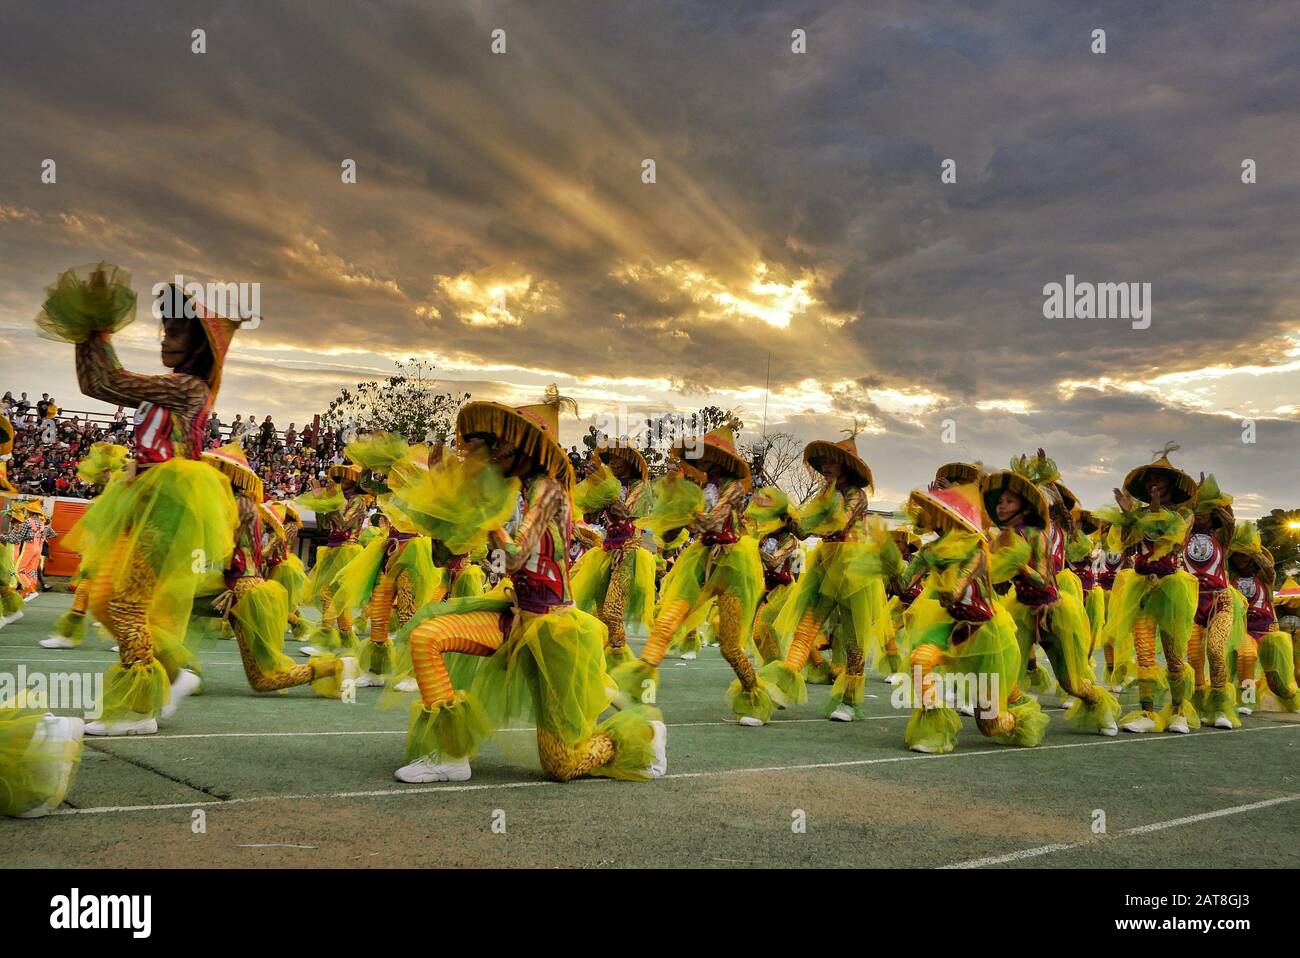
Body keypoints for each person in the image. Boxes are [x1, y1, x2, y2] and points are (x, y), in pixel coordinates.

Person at [389, 387, 666, 784]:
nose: (493, 450)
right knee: (426, 637)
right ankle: (450, 755)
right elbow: (442, 559)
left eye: (503, 442)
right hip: (513, 613)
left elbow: (515, 556)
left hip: (554, 630)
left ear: (527, 448)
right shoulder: (509, 490)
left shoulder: (549, 491)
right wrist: (445, 505)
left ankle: (644, 734)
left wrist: (484, 516)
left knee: (562, 765)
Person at [36, 263, 239, 736]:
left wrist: (97, 328)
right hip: (142, 494)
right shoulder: (166, 388)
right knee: (105, 598)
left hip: (169, 500)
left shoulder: (188, 387)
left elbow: (114, 380)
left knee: (125, 604)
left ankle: (138, 709)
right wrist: (90, 331)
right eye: (164, 332)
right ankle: (174, 673)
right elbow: (96, 385)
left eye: (175, 335)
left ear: (199, 347)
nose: (165, 342)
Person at [622, 420, 776, 725]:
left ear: (720, 458)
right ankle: (635, 687)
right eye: (698, 451)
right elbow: (670, 536)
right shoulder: (699, 487)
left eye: (706, 452)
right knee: (666, 621)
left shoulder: (733, 488)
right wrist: (670, 521)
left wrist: (683, 514)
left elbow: (713, 521)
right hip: (701, 560)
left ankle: (756, 696)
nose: (700, 456)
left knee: (730, 647)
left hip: (734, 566)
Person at [761, 429, 897, 722]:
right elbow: (802, 531)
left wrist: (811, 516)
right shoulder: (823, 494)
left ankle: (849, 702)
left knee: (853, 640)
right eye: (824, 461)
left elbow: (840, 521)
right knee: (805, 628)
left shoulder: (856, 495)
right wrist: (785, 513)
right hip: (825, 564)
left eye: (832, 461)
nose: (826, 466)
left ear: (845, 466)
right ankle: (783, 688)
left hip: (853, 569)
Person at [982, 453, 1119, 736]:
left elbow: (1043, 579)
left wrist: (1017, 566)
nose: (1001, 504)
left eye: (1009, 499)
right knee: (1008, 668)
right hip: (1020, 609)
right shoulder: (1002, 537)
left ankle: (1101, 706)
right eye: (1000, 500)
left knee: (1071, 683)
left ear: (1024, 504)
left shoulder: (1036, 534)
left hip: (1053, 611)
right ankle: (1012, 719)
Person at [1095, 445, 1199, 734]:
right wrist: (1126, 517)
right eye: (1151, 480)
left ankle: (1178, 710)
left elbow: (1168, 539)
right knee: (1144, 654)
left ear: (1170, 485)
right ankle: (1147, 712)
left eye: (1161, 480)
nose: (1155, 484)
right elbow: (1125, 545)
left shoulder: (1183, 515)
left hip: (1171, 589)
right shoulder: (1135, 513)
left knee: (1174, 656)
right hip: (1139, 588)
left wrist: (1149, 511)